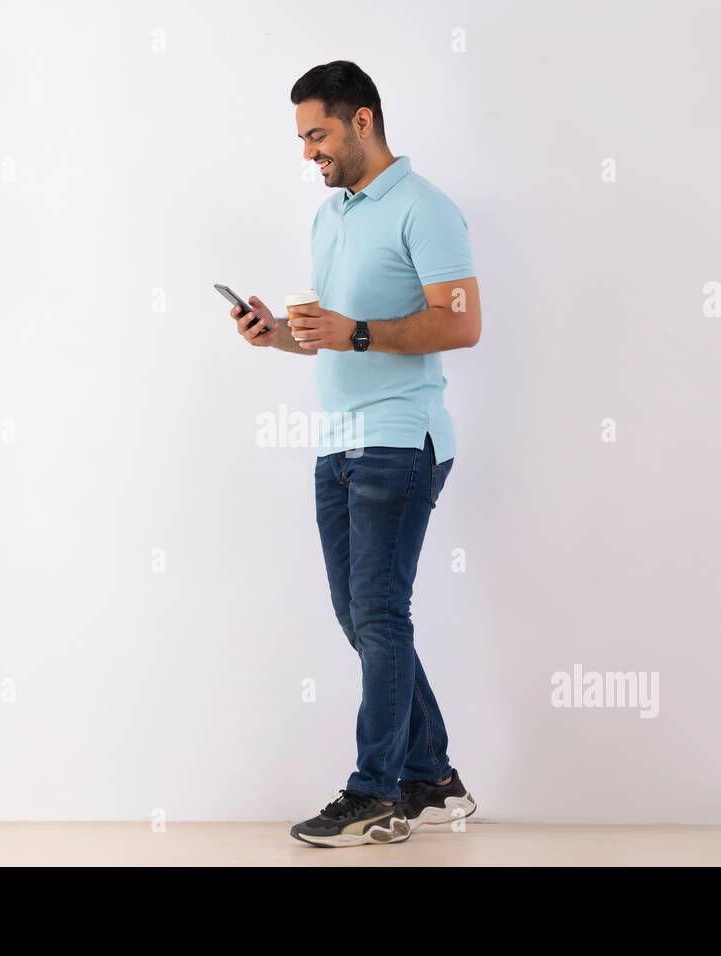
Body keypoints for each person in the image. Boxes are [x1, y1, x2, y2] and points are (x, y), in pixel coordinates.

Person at [231, 61, 480, 848]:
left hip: (401, 438)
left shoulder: (426, 209)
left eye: (319, 134)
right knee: (361, 616)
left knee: (377, 613)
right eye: (303, 138)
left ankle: (376, 792)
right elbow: (331, 337)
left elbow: (461, 324)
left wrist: (357, 331)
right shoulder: (331, 217)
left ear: (362, 120)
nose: (310, 152)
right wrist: (277, 333)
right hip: (337, 441)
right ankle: (433, 778)